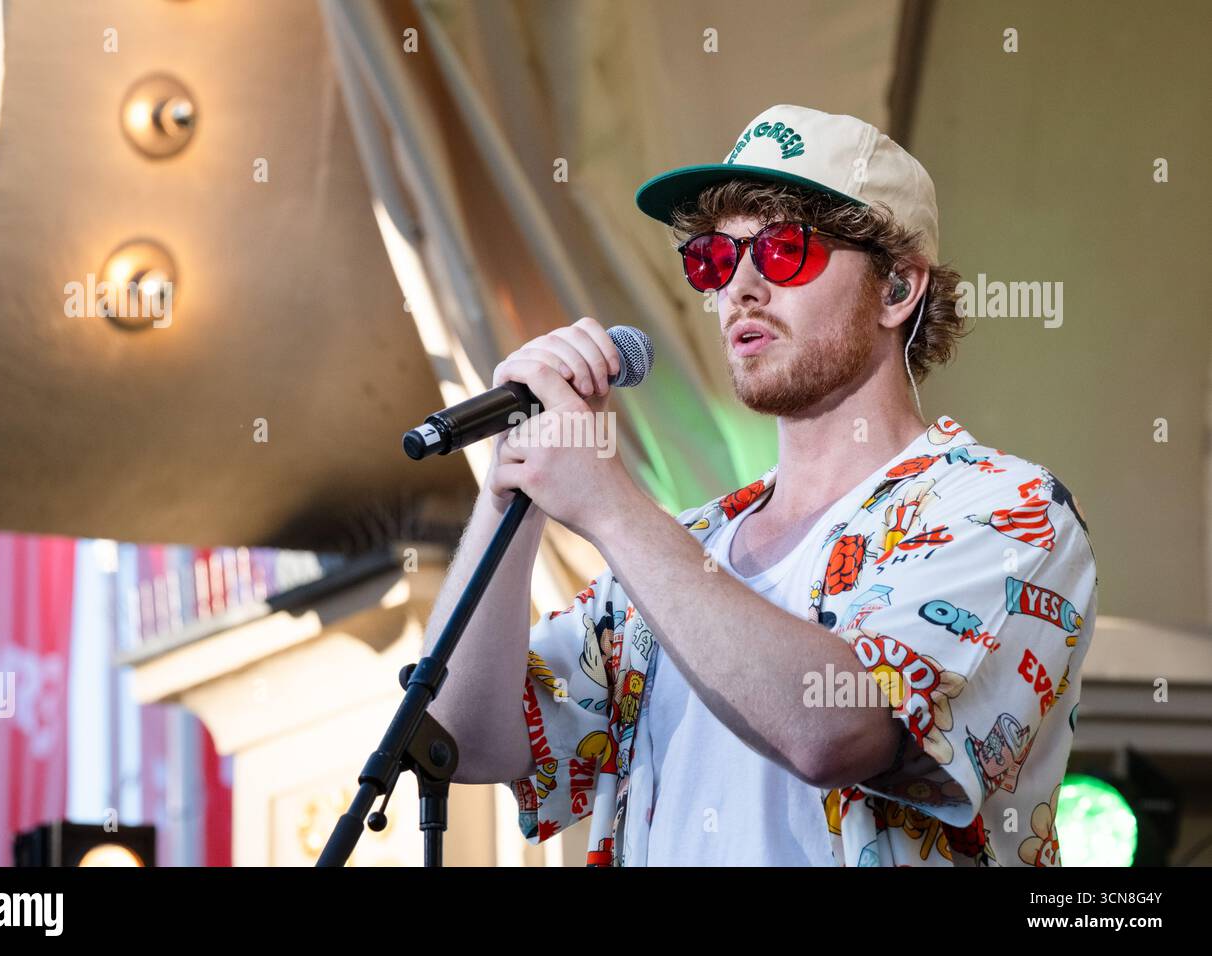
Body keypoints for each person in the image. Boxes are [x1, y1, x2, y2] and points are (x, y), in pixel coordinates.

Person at [422, 104, 1097, 867]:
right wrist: (508, 493)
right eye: (713, 259)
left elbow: (834, 734)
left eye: (782, 251)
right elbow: (465, 738)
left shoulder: (1006, 509)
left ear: (898, 289)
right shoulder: (681, 546)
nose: (739, 286)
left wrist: (609, 505)